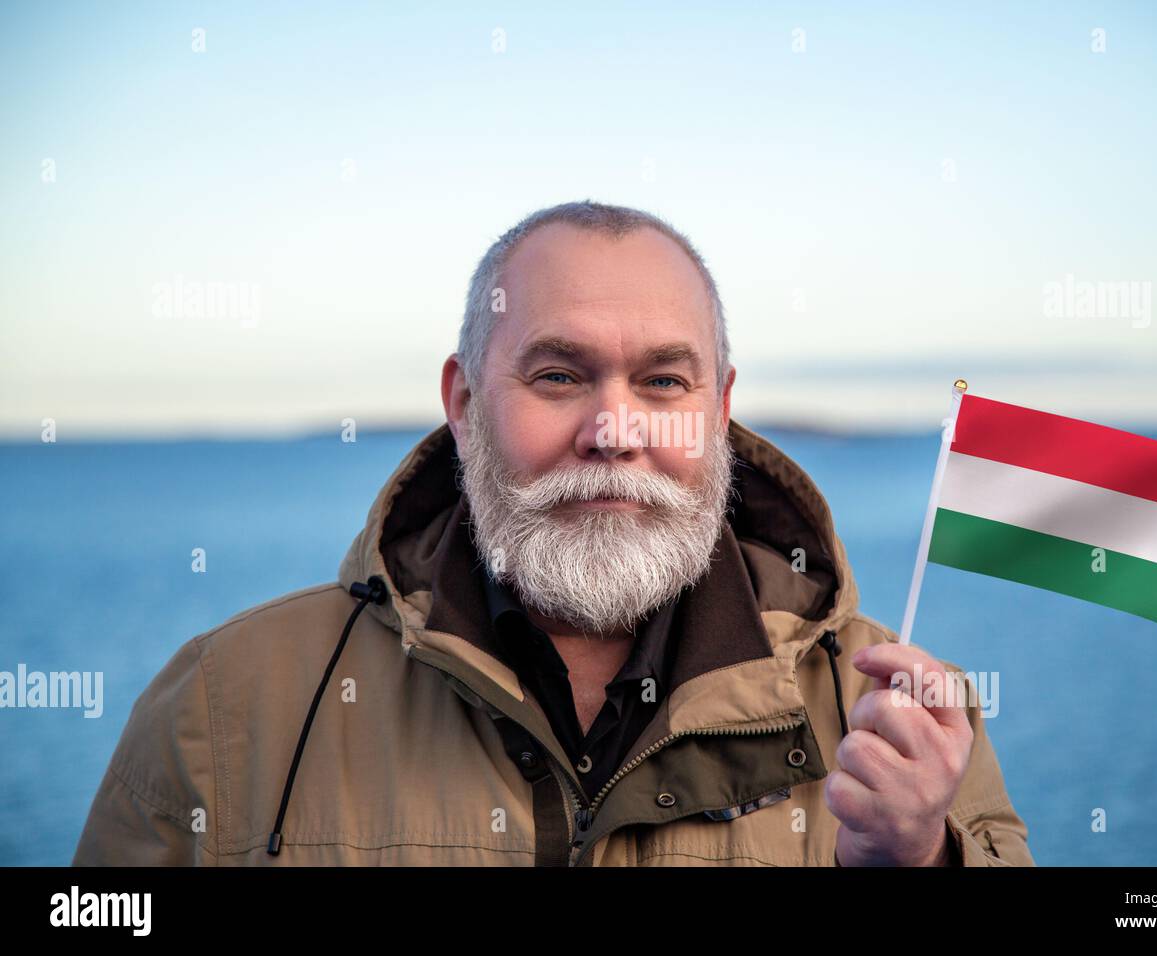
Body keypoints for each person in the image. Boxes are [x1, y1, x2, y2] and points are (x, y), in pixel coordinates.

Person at [72, 200, 1033, 866]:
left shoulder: (901, 719)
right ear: (464, 402)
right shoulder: (228, 702)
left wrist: (920, 861)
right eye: (560, 377)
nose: (613, 431)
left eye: (663, 382)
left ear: (719, 407)